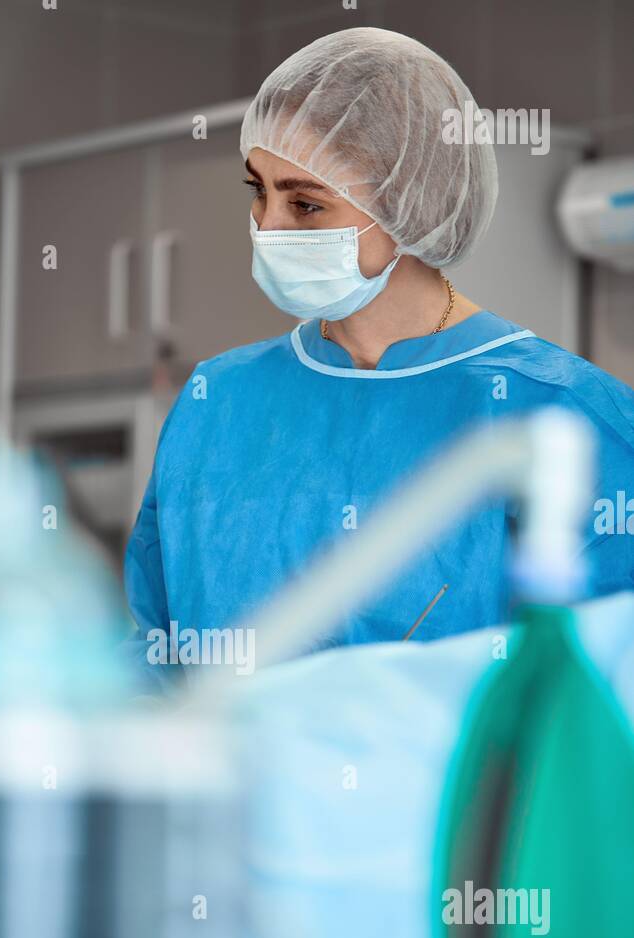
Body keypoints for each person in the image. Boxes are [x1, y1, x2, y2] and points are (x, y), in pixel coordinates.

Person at [124, 27, 634, 688]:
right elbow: (153, 661)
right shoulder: (214, 403)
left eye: (305, 203)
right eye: (259, 190)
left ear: (407, 205)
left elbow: (597, 707)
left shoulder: (570, 418)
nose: (267, 226)